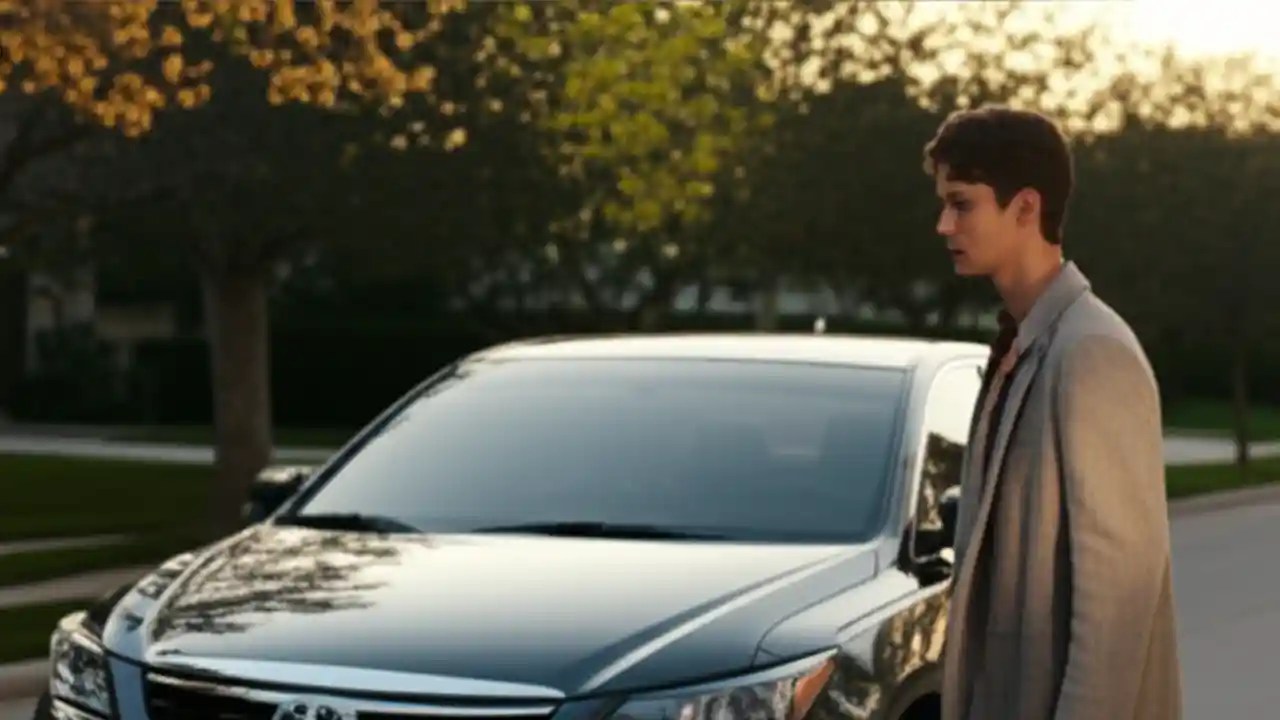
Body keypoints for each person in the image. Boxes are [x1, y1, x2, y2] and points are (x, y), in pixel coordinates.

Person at [923, 105, 1183, 720]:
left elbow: (1120, 598)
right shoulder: (1021, 341)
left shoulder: (1091, 352)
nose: (942, 224)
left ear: (1025, 207)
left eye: (962, 204)